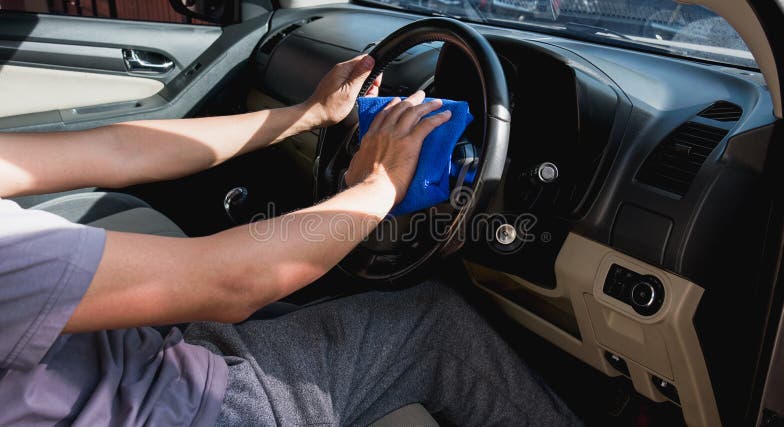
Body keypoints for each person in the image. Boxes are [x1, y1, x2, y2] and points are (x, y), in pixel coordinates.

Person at [0, 54, 580, 426]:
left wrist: (306, 115)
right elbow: (233, 284)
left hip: (113, 364)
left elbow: (118, 149)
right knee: (435, 325)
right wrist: (381, 183)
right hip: (182, 410)